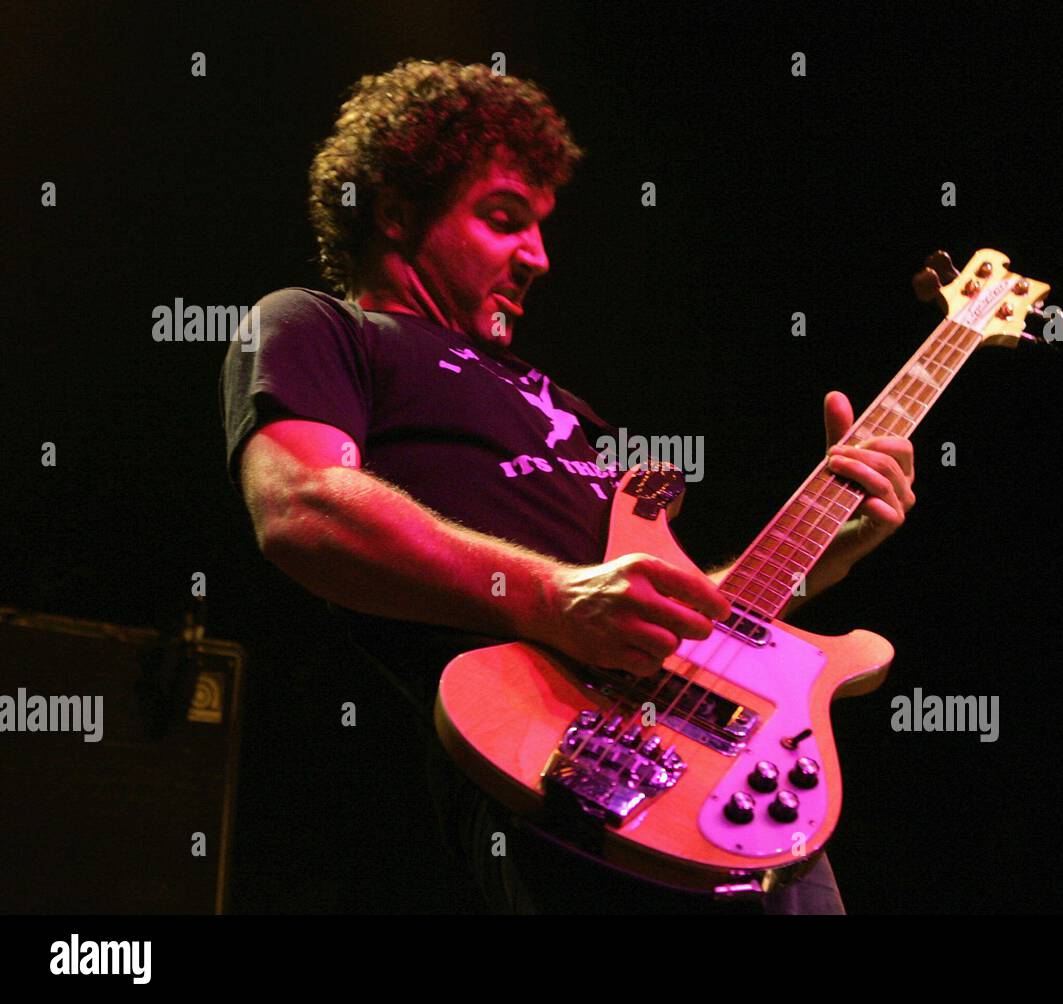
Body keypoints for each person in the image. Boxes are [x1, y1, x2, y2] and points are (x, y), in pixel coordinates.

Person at [220, 59, 916, 914]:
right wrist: (554, 597)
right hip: (560, 790)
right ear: (395, 211)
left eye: (543, 229)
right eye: (506, 219)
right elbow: (304, 506)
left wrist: (827, 552)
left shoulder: (566, 408)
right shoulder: (320, 326)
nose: (539, 258)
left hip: (729, 791)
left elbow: (688, 626)